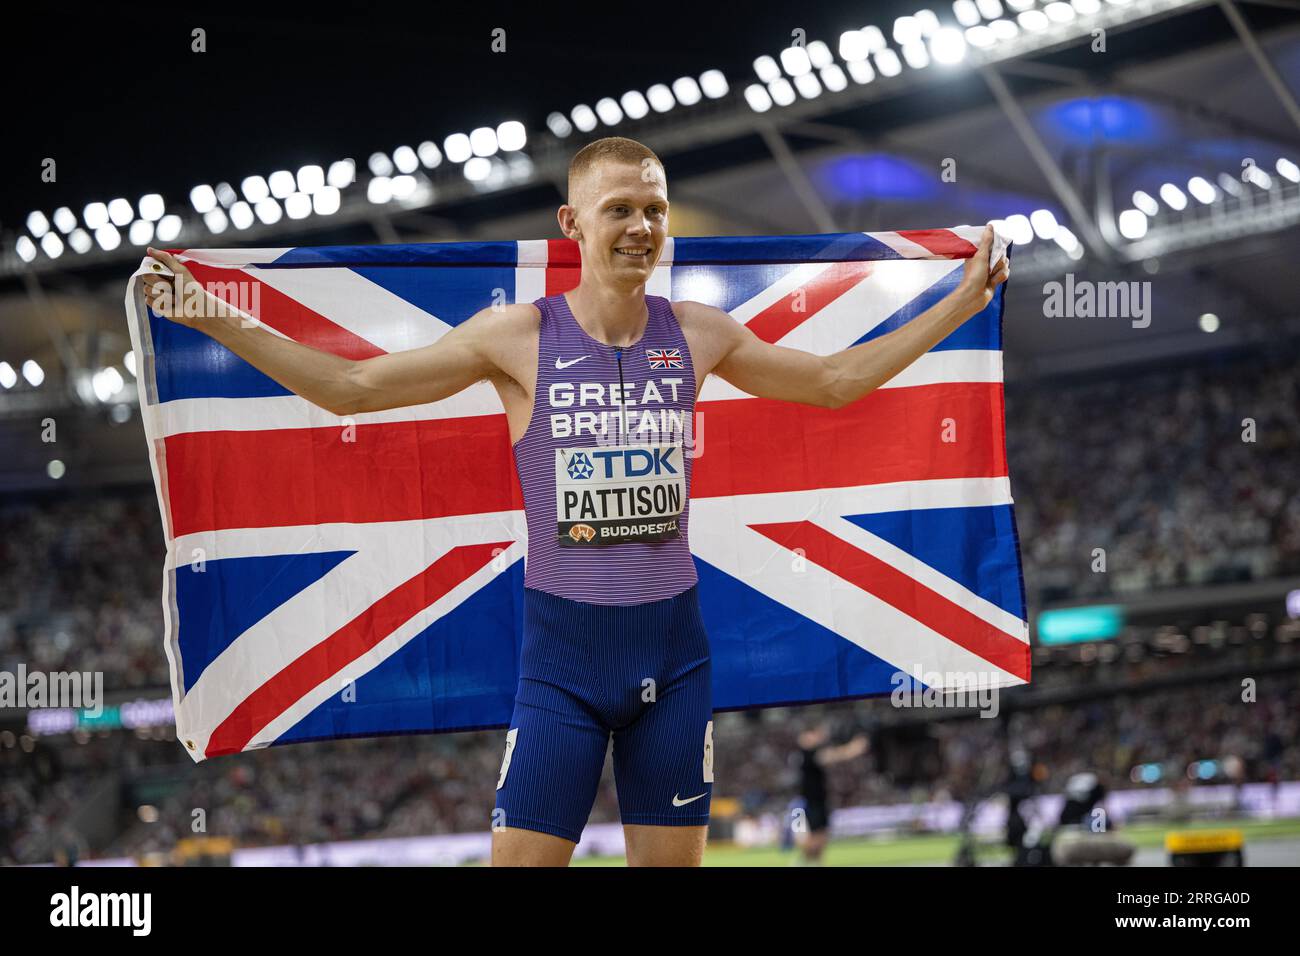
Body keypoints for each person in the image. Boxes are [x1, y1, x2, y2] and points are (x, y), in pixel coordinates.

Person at [143, 135, 1009, 866]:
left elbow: (831, 381)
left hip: (676, 661)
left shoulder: (698, 332)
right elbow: (353, 387)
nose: (642, 227)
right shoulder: (518, 338)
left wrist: (961, 301)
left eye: (655, 210)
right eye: (621, 210)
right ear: (573, 223)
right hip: (560, 666)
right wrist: (214, 315)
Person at [792, 720, 869, 864]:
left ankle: (812, 863)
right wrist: (853, 748)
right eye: (818, 733)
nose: (822, 736)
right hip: (812, 801)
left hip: (817, 800)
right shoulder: (808, 754)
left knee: (821, 837)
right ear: (809, 734)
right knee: (815, 838)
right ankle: (804, 863)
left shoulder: (805, 754)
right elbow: (833, 756)